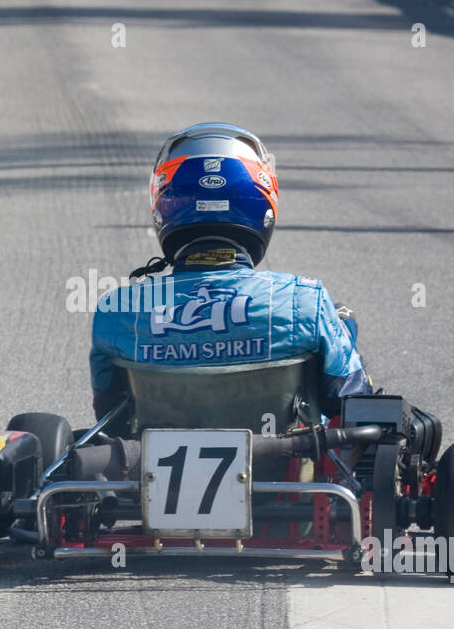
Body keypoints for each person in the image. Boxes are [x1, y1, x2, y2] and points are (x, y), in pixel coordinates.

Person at [89, 123, 372, 424]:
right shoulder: (305, 302)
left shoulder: (117, 311)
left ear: (164, 204)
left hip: (151, 466)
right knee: (341, 325)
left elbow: (111, 417)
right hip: (287, 464)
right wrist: (342, 332)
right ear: (262, 201)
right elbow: (354, 404)